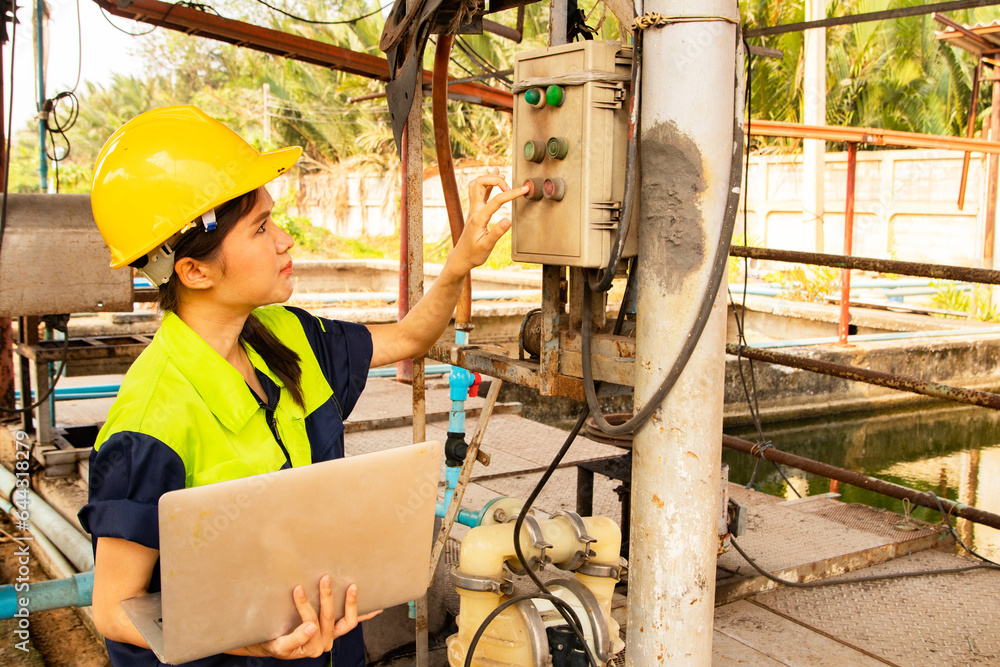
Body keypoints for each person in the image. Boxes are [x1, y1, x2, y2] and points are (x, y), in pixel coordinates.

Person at [77, 105, 527, 666]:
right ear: (194, 271)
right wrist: (254, 641)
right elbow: (114, 609)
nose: (286, 240)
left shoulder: (287, 338)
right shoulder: (150, 421)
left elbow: (410, 337)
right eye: (262, 228)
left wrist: (461, 262)